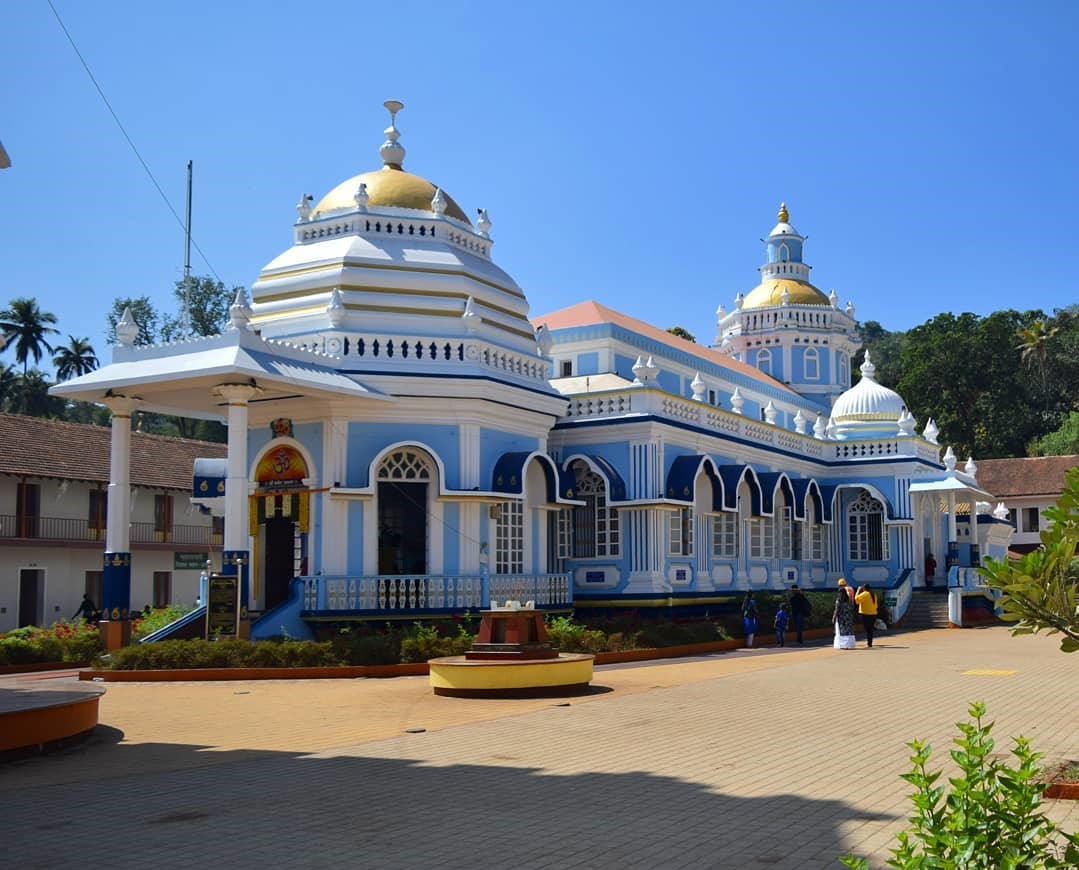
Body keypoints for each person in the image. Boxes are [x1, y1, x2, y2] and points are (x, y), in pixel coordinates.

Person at [832, 579, 856, 649]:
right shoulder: (849, 599)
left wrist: (834, 616)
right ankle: (850, 644)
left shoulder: (839, 600)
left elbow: (837, 608)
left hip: (841, 617)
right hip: (849, 616)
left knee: (842, 631)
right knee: (849, 630)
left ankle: (843, 645)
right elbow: (852, 606)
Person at [854, 584, 878, 648]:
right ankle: (869, 643)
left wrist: (858, 591)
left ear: (864, 588)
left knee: (867, 629)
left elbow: (856, 600)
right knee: (870, 629)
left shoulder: (865, 594)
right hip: (873, 613)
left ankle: (869, 643)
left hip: (866, 614)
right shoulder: (873, 594)